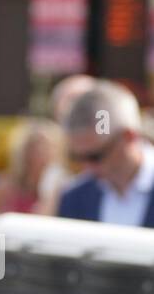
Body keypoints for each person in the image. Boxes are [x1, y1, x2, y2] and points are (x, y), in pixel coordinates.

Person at [57, 81, 154, 228]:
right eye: (77, 157)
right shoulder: (74, 198)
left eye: (96, 156)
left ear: (129, 137)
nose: (87, 167)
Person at [0, 118, 65, 216]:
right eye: (33, 148)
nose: (39, 153)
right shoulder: (6, 184)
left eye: (45, 148)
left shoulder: (57, 187)